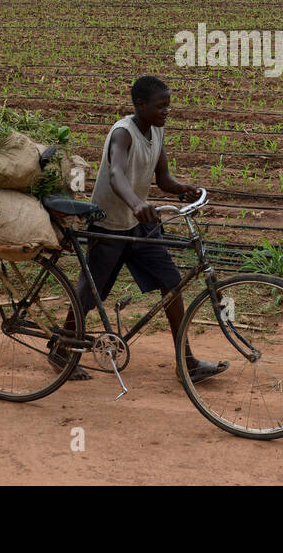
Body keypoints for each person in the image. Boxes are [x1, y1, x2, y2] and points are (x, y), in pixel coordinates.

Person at [50, 75, 228, 383]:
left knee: (172, 282)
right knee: (91, 294)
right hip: (109, 224)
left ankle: (186, 361)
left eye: (168, 107)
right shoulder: (123, 133)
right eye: (160, 107)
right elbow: (117, 174)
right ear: (141, 105)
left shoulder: (156, 132)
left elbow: (163, 178)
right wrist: (135, 203)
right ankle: (61, 351)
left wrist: (184, 190)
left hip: (140, 225)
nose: (166, 112)